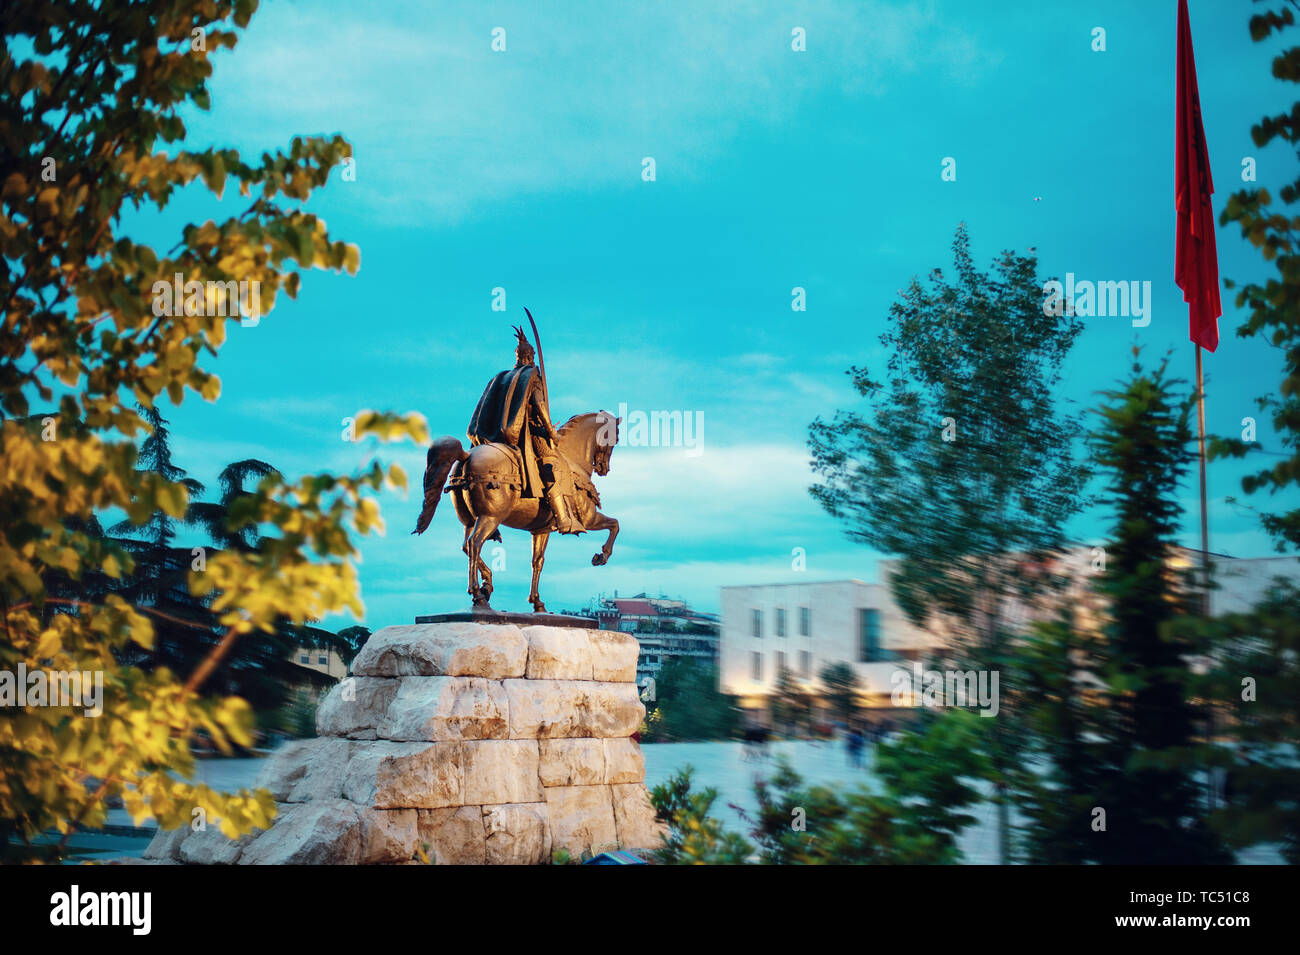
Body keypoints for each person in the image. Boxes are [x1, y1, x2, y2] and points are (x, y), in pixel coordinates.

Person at [466, 326, 581, 533]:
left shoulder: (502, 377)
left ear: (518, 356)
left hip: (495, 435)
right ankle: (562, 517)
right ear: (531, 356)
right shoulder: (531, 375)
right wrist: (551, 431)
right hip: (527, 433)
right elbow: (539, 406)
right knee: (551, 463)